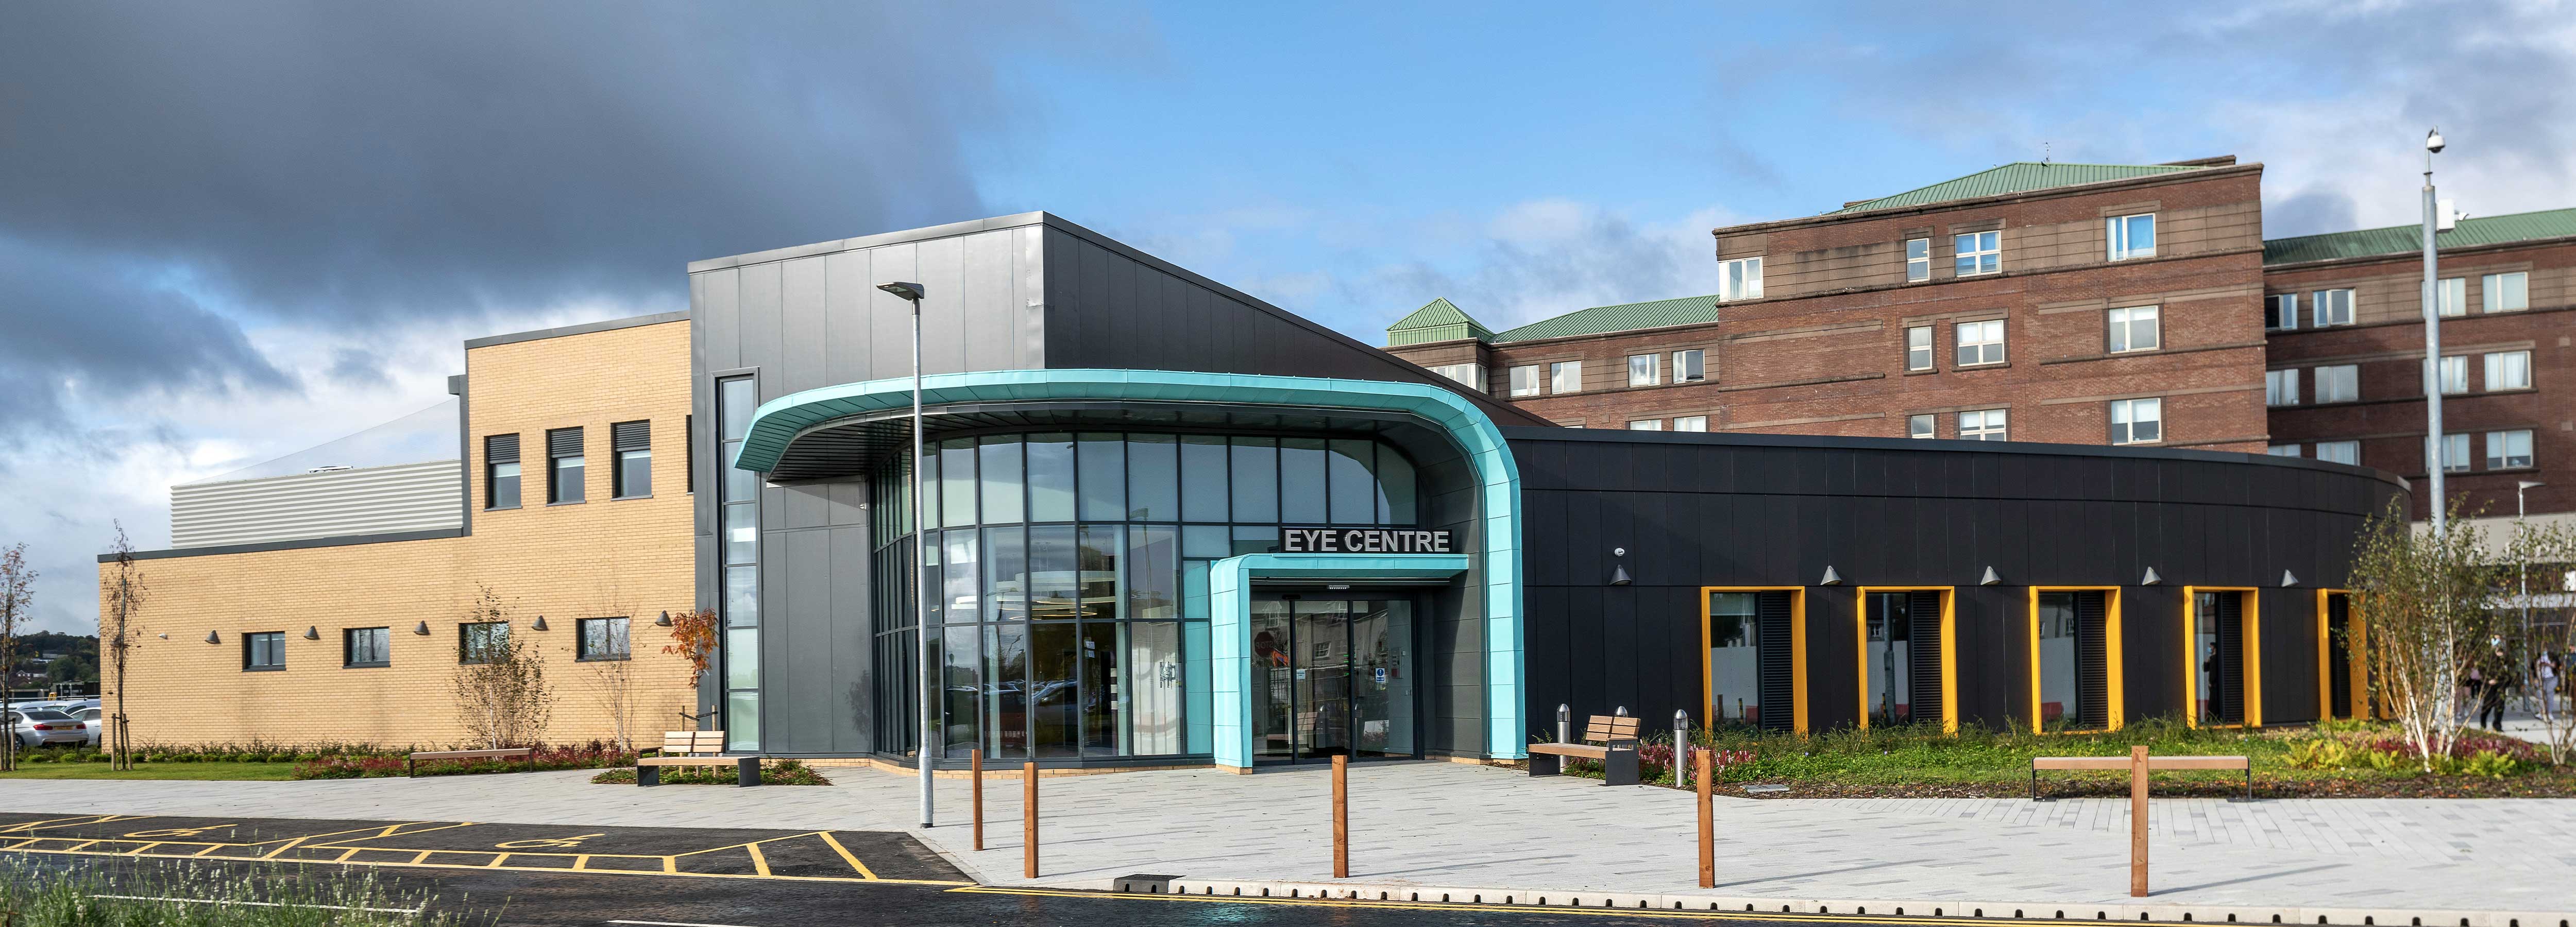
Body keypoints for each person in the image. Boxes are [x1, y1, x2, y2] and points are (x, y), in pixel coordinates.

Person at [2536, 652, 2558, 723]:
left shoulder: (2553, 656)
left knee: (2550, 696)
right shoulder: (2538, 656)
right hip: (2541, 679)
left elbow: (2555, 665)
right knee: (2541, 696)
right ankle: (2541, 712)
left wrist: (2546, 664)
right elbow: (2534, 666)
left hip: (2551, 679)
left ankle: (2549, 713)